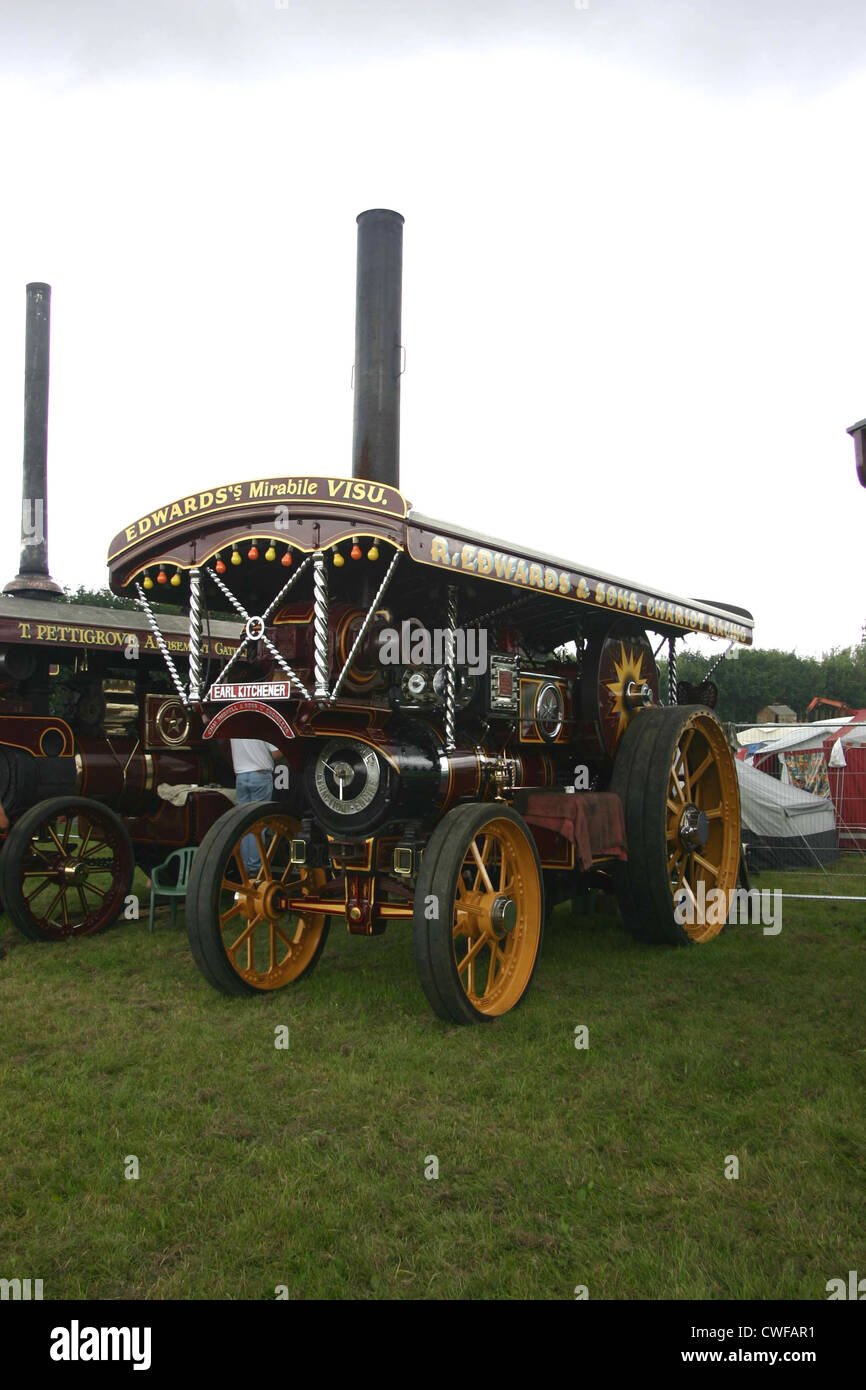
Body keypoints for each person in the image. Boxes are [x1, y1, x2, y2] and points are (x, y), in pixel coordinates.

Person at [231, 738, 281, 876]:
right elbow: (276, 753)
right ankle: (255, 868)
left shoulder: (235, 725)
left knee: (244, 825)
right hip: (259, 775)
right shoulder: (260, 724)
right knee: (258, 824)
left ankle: (244, 868)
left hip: (241, 776)